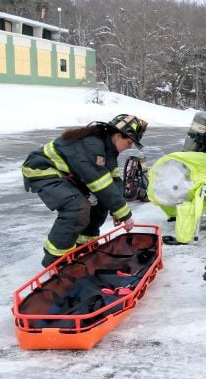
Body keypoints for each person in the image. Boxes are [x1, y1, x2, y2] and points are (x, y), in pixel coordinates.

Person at [22, 114, 148, 267]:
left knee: (100, 204)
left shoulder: (108, 149)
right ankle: (56, 259)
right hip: (42, 170)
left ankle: (83, 247)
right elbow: (99, 183)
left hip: (68, 175)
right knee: (76, 206)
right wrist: (124, 215)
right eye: (129, 142)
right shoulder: (92, 145)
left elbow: (113, 180)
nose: (129, 147)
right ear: (116, 136)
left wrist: (116, 209)